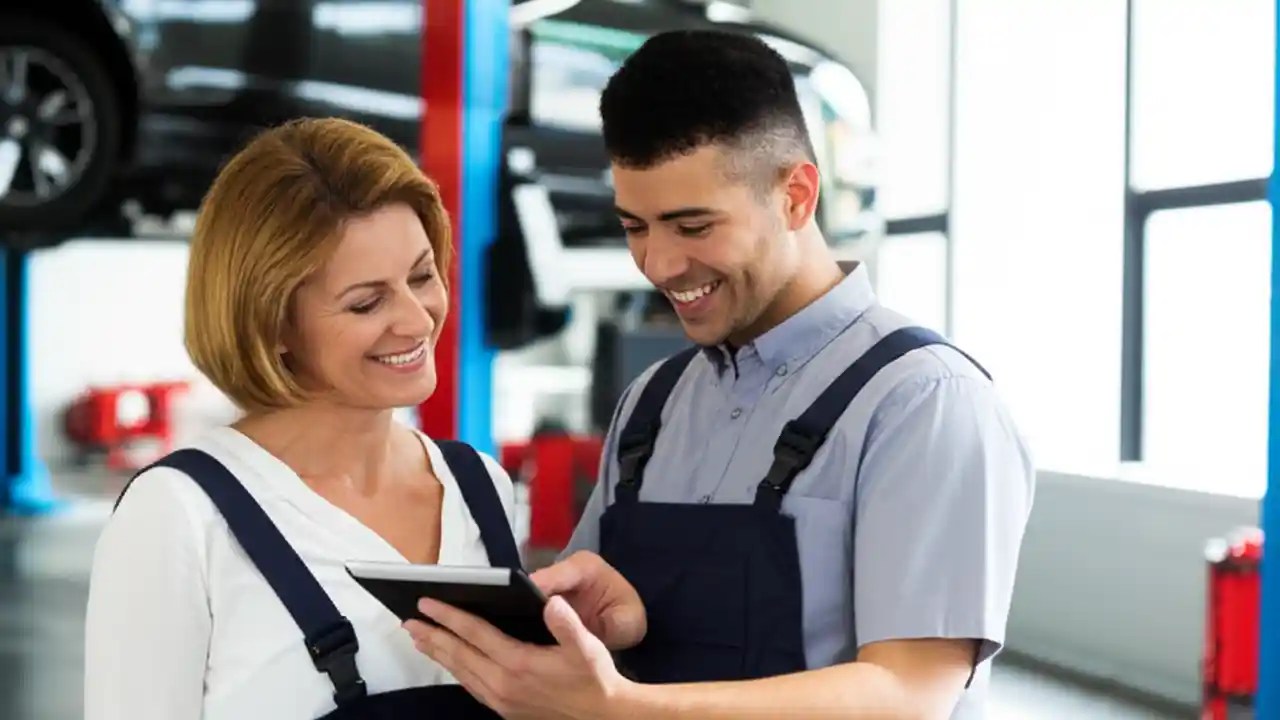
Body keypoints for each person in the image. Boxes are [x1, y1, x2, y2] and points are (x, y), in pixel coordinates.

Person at [404, 29, 1036, 720]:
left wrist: (619, 708)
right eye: (635, 227)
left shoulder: (922, 404)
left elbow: (906, 693)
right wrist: (609, 623)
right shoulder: (653, 403)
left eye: (693, 226)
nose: (660, 264)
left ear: (796, 195)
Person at [84, 117, 519, 719]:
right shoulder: (181, 516)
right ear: (275, 325)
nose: (418, 319)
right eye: (367, 301)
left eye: (421, 276)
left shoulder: (481, 491)